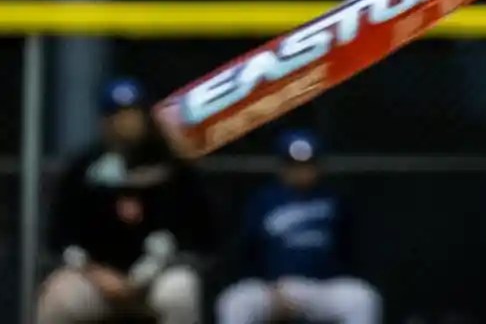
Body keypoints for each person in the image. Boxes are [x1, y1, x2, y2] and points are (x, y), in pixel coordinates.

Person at [39, 78, 215, 324]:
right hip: (97, 279)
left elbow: (199, 237)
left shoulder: (174, 167)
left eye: (133, 114)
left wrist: (147, 273)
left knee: (180, 291)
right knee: (58, 297)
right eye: (117, 116)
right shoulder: (83, 168)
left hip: (159, 278)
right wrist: (96, 273)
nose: (126, 123)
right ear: (104, 121)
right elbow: (61, 237)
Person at [216, 130, 380, 324]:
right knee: (235, 301)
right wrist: (271, 288)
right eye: (294, 165)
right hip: (275, 288)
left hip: (322, 288)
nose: (301, 171)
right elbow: (246, 252)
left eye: (307, 164)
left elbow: (351, 252)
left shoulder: (334, 200)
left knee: (362, 298)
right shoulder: (263, 201)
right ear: (283, 166)